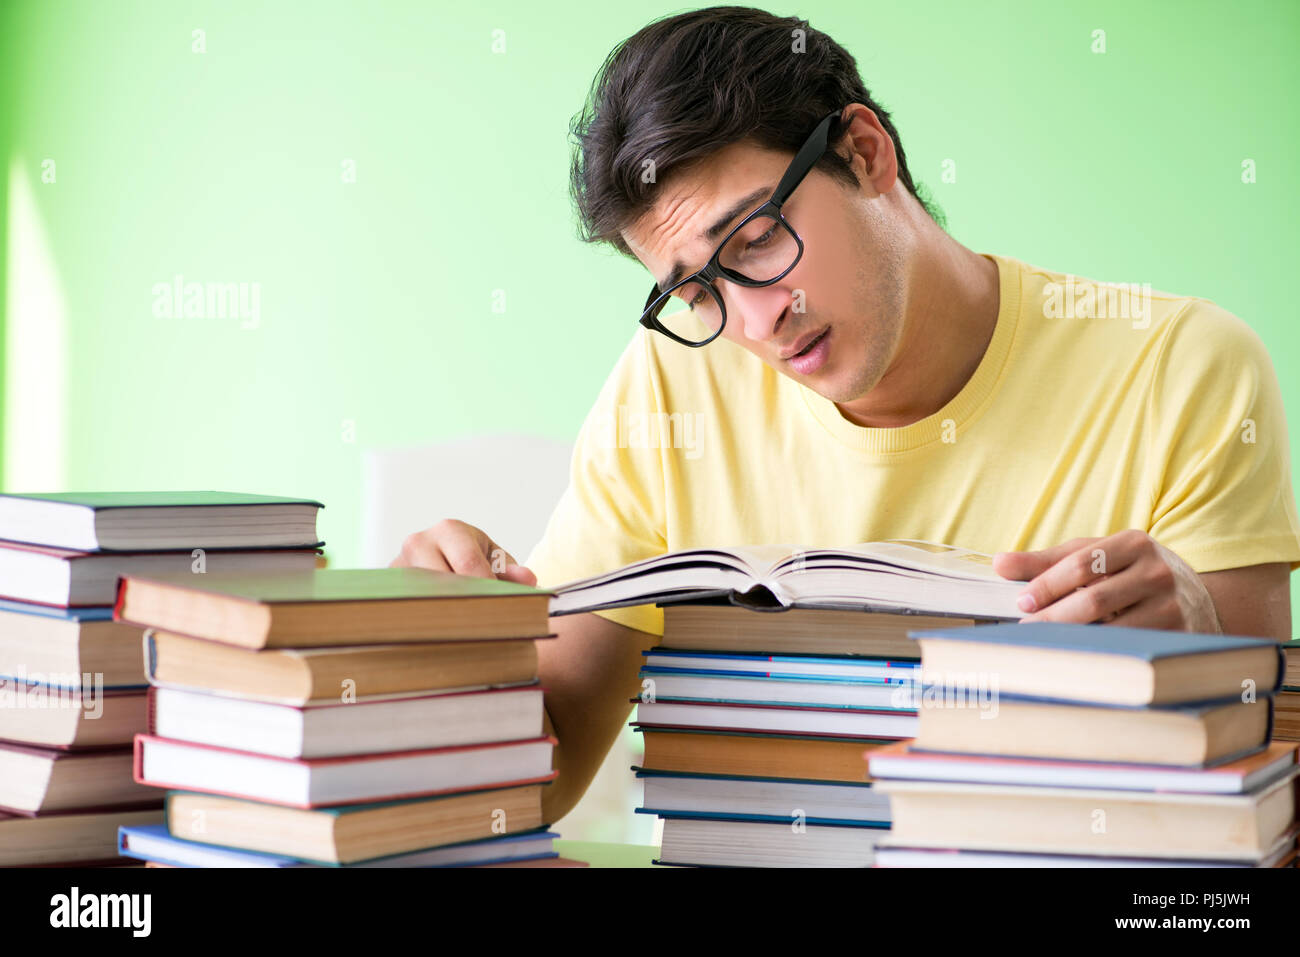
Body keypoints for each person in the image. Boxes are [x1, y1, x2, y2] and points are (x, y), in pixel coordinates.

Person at [392, 7, 1300, 824]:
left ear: (864, 151)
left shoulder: (1180, 366)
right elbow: (530, 785)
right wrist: (424, 655)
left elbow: (1272, 783)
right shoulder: (670, 387)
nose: (753, 320)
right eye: (695, 292)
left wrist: (1207, 651)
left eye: (754, 242)